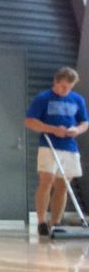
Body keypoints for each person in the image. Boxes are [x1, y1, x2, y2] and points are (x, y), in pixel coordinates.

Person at [25, 67, 89, 237]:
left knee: (63, 185)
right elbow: (30, 121)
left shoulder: (77, 100)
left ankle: (56, 223)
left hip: (69, 146)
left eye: (69, 87)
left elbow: (85, 122)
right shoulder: (43, 98)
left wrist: (77, 130)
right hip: (49, 144)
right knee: (47, 180)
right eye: (63, 86)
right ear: (56, 82)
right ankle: (41, 221)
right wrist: (53, 129)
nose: (65, 90)